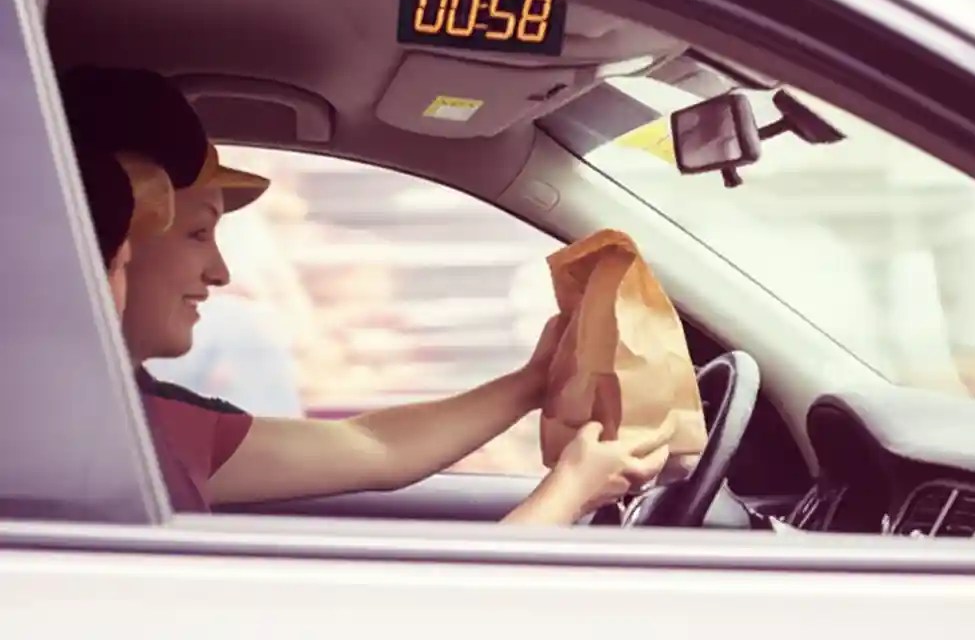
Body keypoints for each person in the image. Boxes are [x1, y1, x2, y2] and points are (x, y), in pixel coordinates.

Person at [63, 65, 673, 523]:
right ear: (105, 235)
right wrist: (569, 493)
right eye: (197, 233)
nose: (221, 273)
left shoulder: (144, 420)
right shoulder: (83, 449)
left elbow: (374, 447)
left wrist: (532, 384)